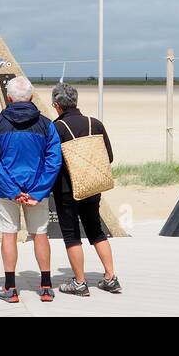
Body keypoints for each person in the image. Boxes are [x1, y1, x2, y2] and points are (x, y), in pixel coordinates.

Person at [0, 75, 62, 303]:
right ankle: (46, 286)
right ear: (32, 97)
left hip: (7, 191)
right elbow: (53, 160)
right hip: (37, 190)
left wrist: (12, 190)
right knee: (40, 234)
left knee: (9, 234)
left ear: (9, 98)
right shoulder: (46, 124)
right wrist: (37, 191)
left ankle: (10, 288)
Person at [50, 83, 121, 296]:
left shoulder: (56, 128)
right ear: (76, 100)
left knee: (72, 236)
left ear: (56, 104)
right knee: (96, 230)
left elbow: (53, 162)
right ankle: (110, 277)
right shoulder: (95, 124)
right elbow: (108, 157)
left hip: (66, 190)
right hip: (92, 186)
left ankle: (80, 283)